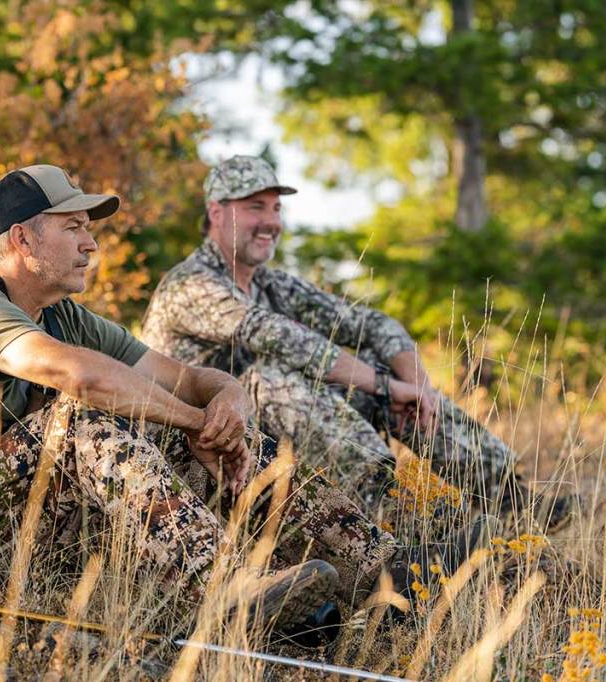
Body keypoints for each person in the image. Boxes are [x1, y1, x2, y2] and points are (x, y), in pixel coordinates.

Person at [0, 163, 399, 625]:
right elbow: (83, 378)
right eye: (73, 227)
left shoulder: (64, 316)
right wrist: (193, 422)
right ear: (22, 240)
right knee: (78, 418)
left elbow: (189, 379)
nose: (91, 244)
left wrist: (228, 406)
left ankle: (383, 575)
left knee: (221, 435)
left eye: (89, 229)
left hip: (21, 516)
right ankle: (229, 590)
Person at [140, 155, 574, 529]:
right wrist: (385, 387)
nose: (272, 221)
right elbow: (288, 342)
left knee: (375, 365)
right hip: (199, 456)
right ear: (216, 212)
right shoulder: (190, 284)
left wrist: (415, 386)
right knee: (271, 378)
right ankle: (397, 510)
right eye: (256, 207)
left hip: (265, 444)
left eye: (276, 208)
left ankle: (507, 496)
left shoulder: (271, 284)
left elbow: (371, 323)